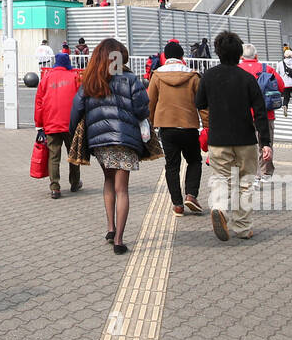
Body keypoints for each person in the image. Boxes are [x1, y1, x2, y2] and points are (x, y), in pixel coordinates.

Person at [68, 38, 149, 255]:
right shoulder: (131, 79)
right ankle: (120, 240)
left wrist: (73, 130)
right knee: (122, 188)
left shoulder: (90, 81)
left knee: (108, 181)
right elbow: (142, 110)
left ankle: (110, 228)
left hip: (99, 141)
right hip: (125, 140)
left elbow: (76, 108)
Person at [195, 30, 271, 241]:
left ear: (218, 53)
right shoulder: (247, 78)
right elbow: (261, 112)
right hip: (245, 139)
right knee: (245, 182)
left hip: (218, 138)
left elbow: (199, 103)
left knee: (220, 177)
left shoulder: (209, 76)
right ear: (239, 54)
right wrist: (266, 142)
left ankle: (219, 207)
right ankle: (243, 228)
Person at [148, 40, 203, 215]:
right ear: (182, 57)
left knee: (172, 165)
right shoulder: (193, 76)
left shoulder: (157, 76)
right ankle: (191, 195)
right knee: (194, 161)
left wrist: (149, 123)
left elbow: (150, 102)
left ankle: (177, 204)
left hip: (167, 127)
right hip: (189, 126)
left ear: (165, 57)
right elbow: (202, 104)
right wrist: (207, 125)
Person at [34, 52, 83, 199]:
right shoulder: (74, 77)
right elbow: (80, 101)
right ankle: (75, 183)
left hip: (51, 123)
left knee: (53, 156)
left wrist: (39, 125)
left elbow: (39, 103)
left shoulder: (46, 78)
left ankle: (55, 187)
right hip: (70, 124)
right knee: (72, 154)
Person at [238, 44, 283, 184]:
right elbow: (281, 86)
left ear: (241, 57)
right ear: (256, 56)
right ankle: (266, 173)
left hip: (243, 115)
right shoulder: (267, 69)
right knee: (265, 144)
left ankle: (252, 175)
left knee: (247, 146)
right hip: (266, 113)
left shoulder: (237, 70)